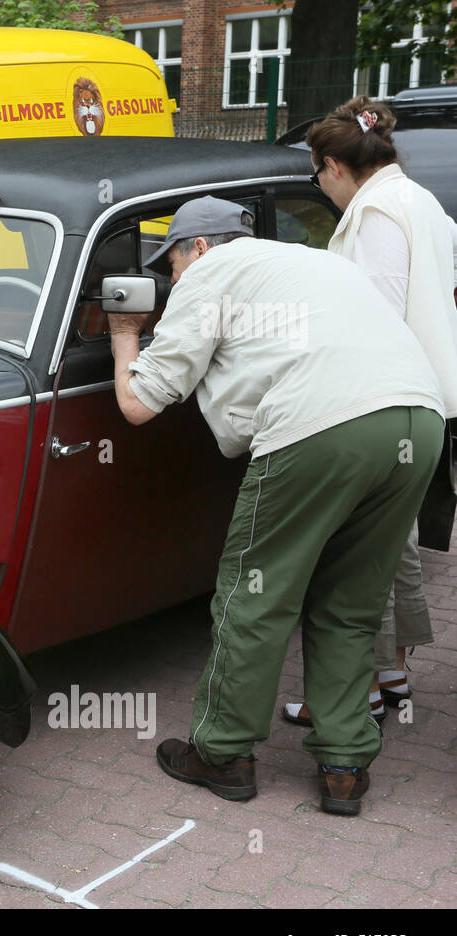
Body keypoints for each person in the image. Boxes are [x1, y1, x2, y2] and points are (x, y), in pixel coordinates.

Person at [108, 196, 447, 815]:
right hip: (417, 422)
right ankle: (344, 766)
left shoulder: (210, 274)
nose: (172, 280)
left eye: (172, 264)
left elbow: (137, 404)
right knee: (352, 601)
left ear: (201, 247)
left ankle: (222, 753)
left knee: (254, 594)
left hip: (322, 425)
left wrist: (124, 335)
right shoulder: (315, 264)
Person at [280, 96, 457, 727]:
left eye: (315, 175)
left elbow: (374, 315)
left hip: (380, 397)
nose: (319, 188)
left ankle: (357, 695)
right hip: (423, 398)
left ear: (332, 165)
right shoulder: (422, 202)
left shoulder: (376, 212)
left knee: (360, 552)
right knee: (392, 543)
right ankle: (389, 675)